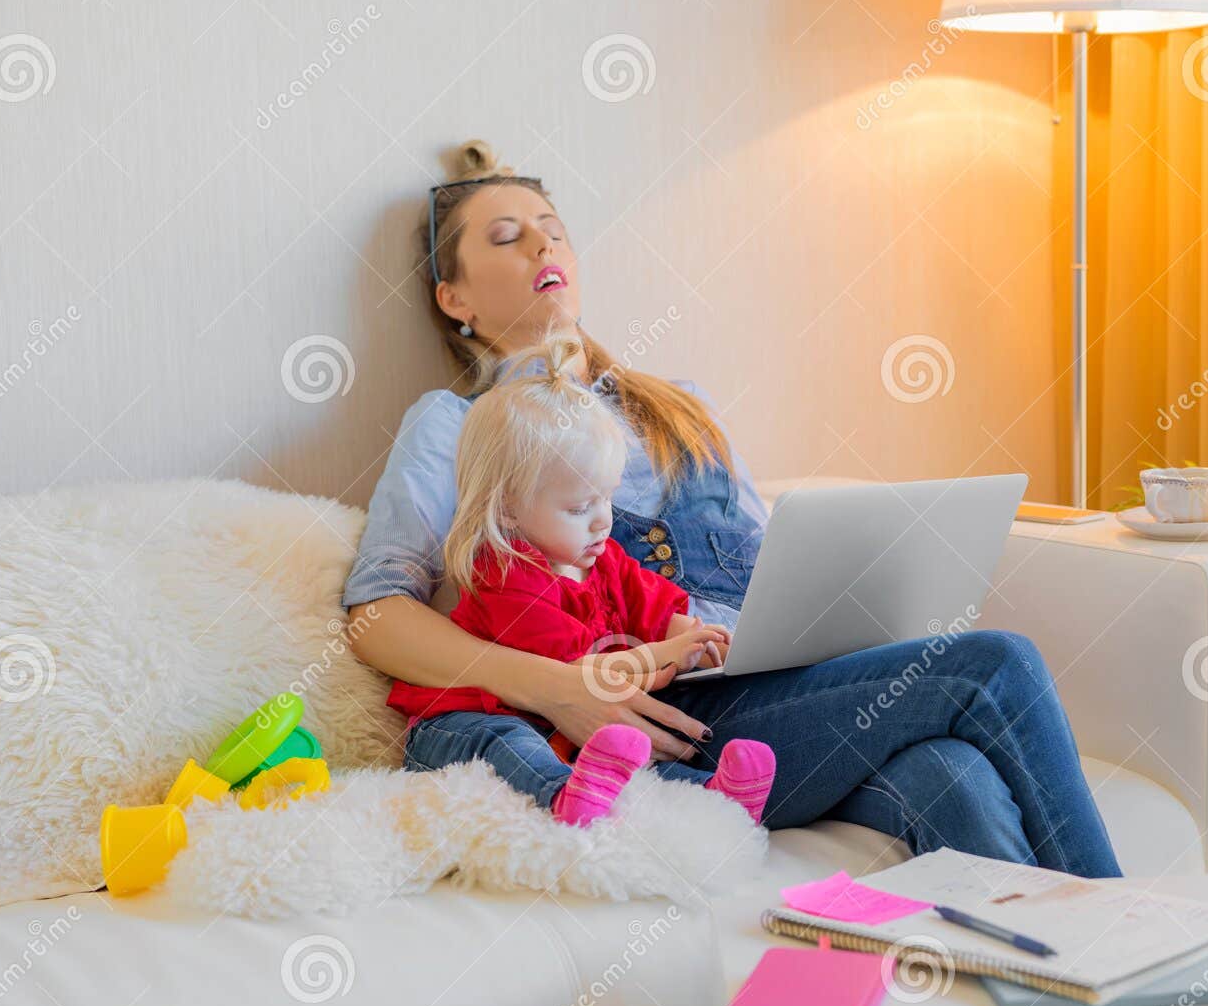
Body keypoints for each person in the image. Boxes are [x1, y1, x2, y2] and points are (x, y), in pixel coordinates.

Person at [344, 139, 1120, 875]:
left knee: (953, 779)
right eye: (507, 238)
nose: (543, 249)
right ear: (454, 299)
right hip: (670, 713)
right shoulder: (453, 424)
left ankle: (1074, 996)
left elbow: (773, 552)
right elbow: (376, 613)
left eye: (554, 233)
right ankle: (1131, 928)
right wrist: (556, 688)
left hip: (783, 686)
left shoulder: (681, 406)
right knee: (996, 663)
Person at [384, 333, 774, 827]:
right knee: (510, 743)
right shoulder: (503, 571)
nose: (601, 521)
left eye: (606, 499)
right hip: (461, 727)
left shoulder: (601, 557)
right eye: (578, 507)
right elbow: (580, 673)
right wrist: (662, 656)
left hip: (564, 727)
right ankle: (561, 797)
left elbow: (658, 610)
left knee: (635, 750)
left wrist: (698, 640)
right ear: (506, 508)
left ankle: (713, 801)